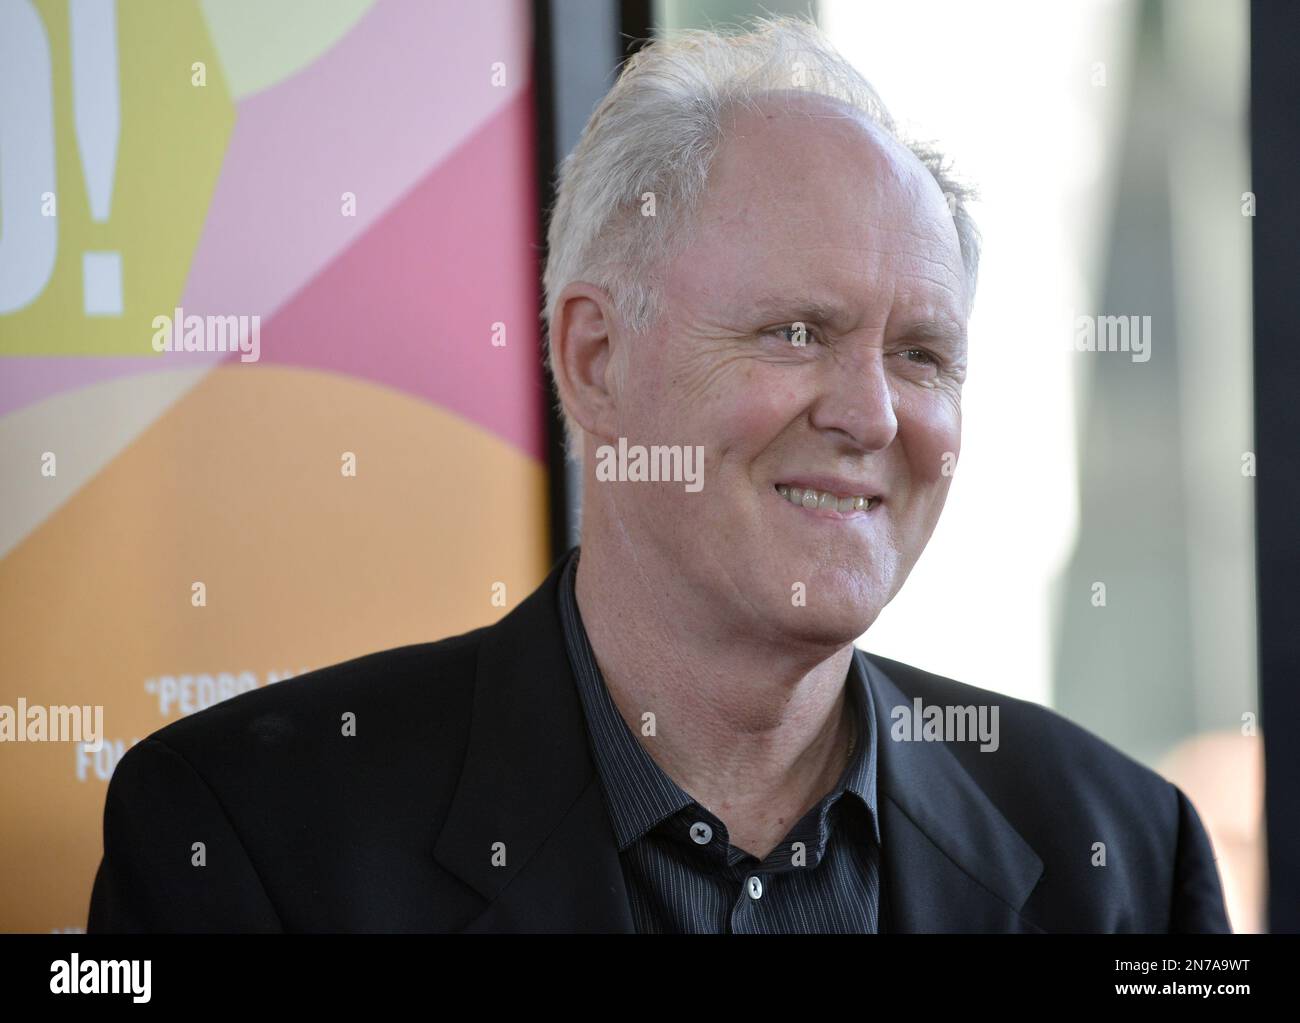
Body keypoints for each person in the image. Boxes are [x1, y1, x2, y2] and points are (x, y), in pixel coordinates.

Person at [87, 16, 1231, 934]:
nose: (872, 412)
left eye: (921, 353)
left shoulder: (1122, 852)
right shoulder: (251, 833)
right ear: (595, 358)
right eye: (794, 332)